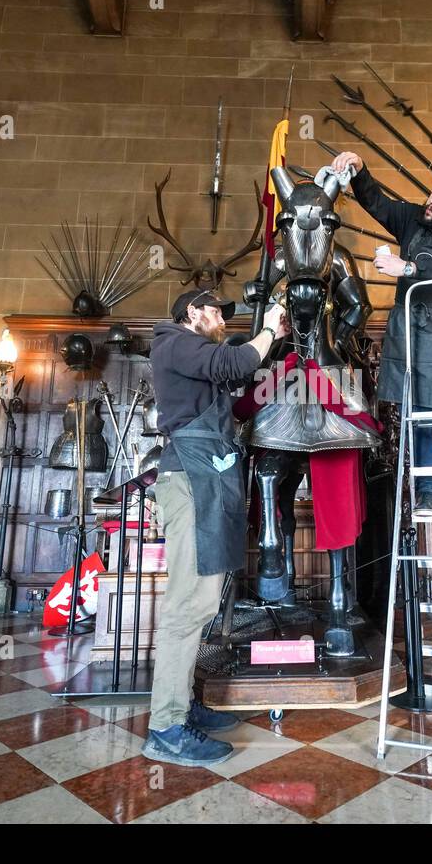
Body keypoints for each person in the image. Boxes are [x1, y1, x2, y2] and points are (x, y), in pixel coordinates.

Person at [144, 289, 289, 767]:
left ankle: (182, 705)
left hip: (205, 478)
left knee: (202, 600)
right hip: (189, 481)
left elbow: (236, 370)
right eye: (216, 312)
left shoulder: (196, 352)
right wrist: (267, 327)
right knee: (188, 606)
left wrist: (276, 346)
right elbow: (234, 362)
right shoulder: (173, 342)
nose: (222, 319)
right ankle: (166, 726)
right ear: (192, 313)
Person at [330, 151, 432, 517]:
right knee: (414, 410)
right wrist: (360, 168)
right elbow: (377, 203)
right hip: (407, 328)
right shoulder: (414, 219)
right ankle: (430, 491)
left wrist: (408, 266)